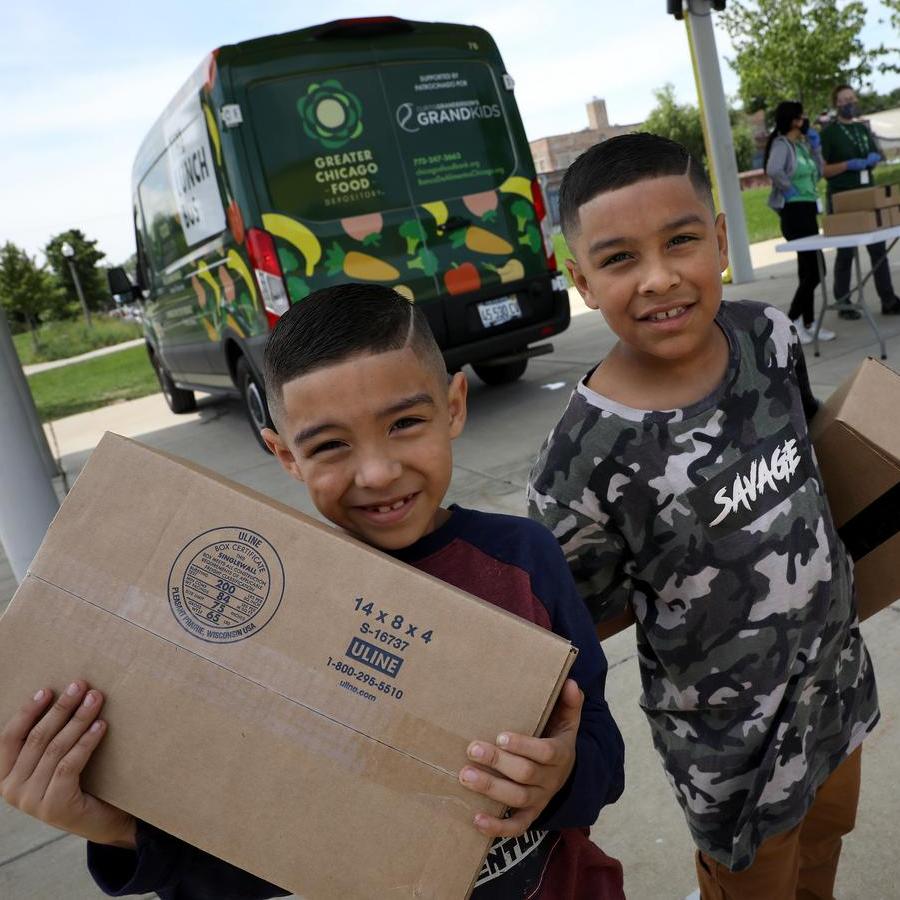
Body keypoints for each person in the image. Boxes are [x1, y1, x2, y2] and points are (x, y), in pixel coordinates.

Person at [0, 285, 626, 900]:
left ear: (455, 404)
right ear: (284, 454)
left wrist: (563, 775)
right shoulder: (271, 617)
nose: (378, 472)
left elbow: (603, 752)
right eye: (329, 445)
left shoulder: (522, 559)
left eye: (405, 422)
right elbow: (249, 860)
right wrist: (116, 831)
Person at [527, 132, 879, 899]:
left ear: (720, 238)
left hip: (834, 695)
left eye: (681, 240)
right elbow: (580, 622)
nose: (659, 278)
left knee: (825, 854)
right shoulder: (581, 460)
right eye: (619, 259)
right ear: (581, 278)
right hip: (732, 757)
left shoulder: (768, 337)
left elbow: (815, 471)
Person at [820, 83, 900, 317]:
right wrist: (847, 165)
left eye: (852, 99)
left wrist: (873, 159)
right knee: (846, 252)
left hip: (867, 195)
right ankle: (843, 301)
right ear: (837, 104)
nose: (849, 104)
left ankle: (888, 299)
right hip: (843, 197)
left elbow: (875, 154)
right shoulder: (830, 134)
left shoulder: (862, 129)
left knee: (878, 250)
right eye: (844, 100)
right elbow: (823, 170)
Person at [764, 100, 835, 344]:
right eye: (802, 117)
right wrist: (789, 189)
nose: (805, 120)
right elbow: (773, 169)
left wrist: (816, 148)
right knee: (816, 271)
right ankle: (792, 321)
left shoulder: (801, 145)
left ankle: (809, 323)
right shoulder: (782, 144)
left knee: (808, 270)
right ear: (794, 120)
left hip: (807, 210)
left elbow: (819, 169)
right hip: (794, 212)